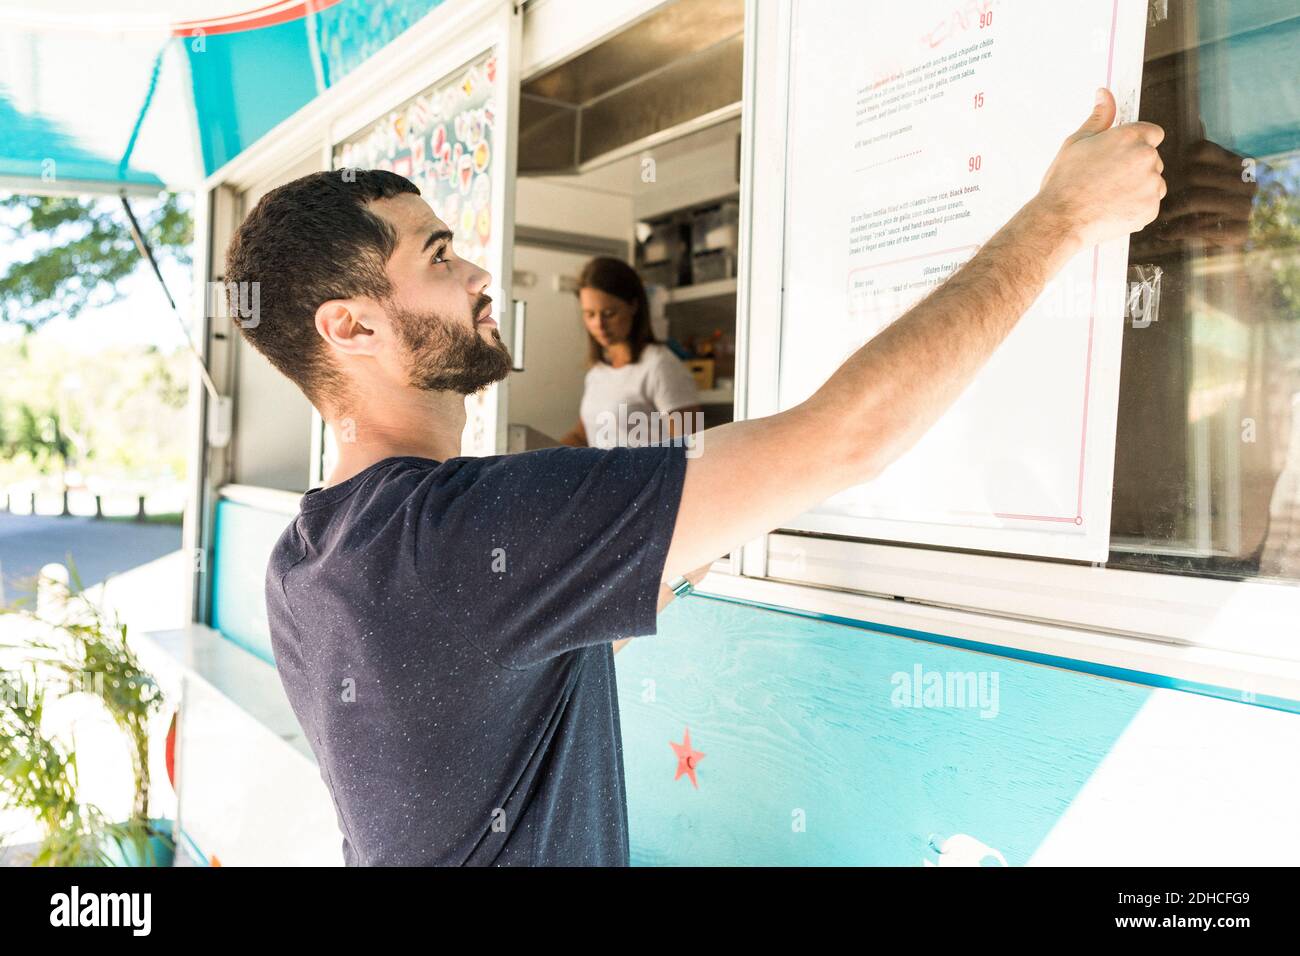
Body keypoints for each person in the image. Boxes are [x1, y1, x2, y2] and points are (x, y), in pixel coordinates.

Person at [223, 87, 1163, 865]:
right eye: (437, 256)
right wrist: (1064, 216)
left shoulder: (306, 557)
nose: (477, 273)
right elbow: (848, 438)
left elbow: (475, 690)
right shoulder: (463, 533)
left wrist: (645, 564)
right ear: (349, 327)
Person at [556, 256, 702, 448]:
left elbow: (691, 447)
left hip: (650, 479)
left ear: (633, 306)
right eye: (590, 314)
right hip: (606, 479)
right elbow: (583, 435)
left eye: (609, 313)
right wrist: (538, 458)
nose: (599, 324)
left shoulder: (660, 366)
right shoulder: (597, 372)